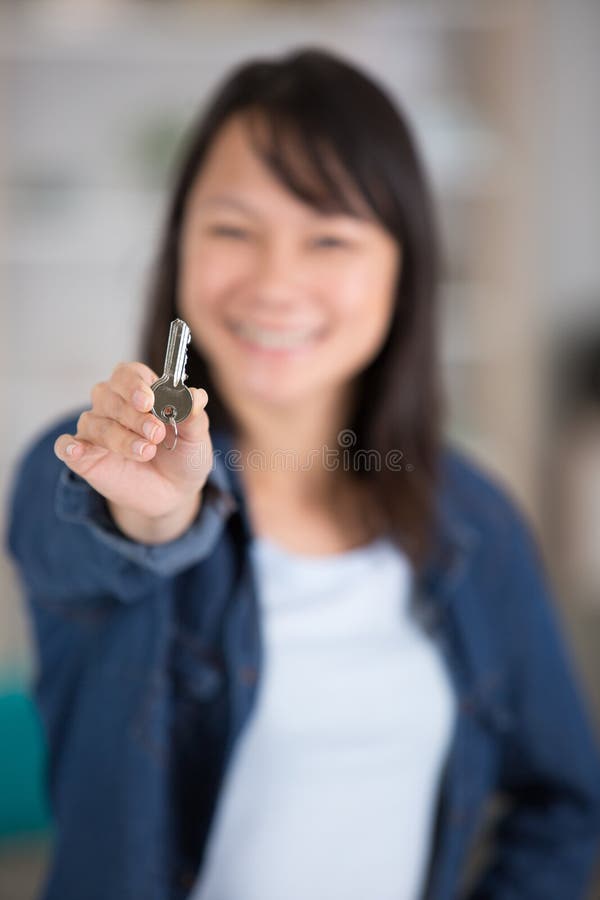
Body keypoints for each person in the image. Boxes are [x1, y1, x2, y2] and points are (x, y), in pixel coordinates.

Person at [6, 47, 600, 900]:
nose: (276, 282)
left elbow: (562, 805)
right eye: (233, 229)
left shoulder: (477, 518)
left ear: (403, 271)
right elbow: (86, 541)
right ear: (180, 248)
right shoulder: (82, 464)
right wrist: (157, 517)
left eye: (329, 237)